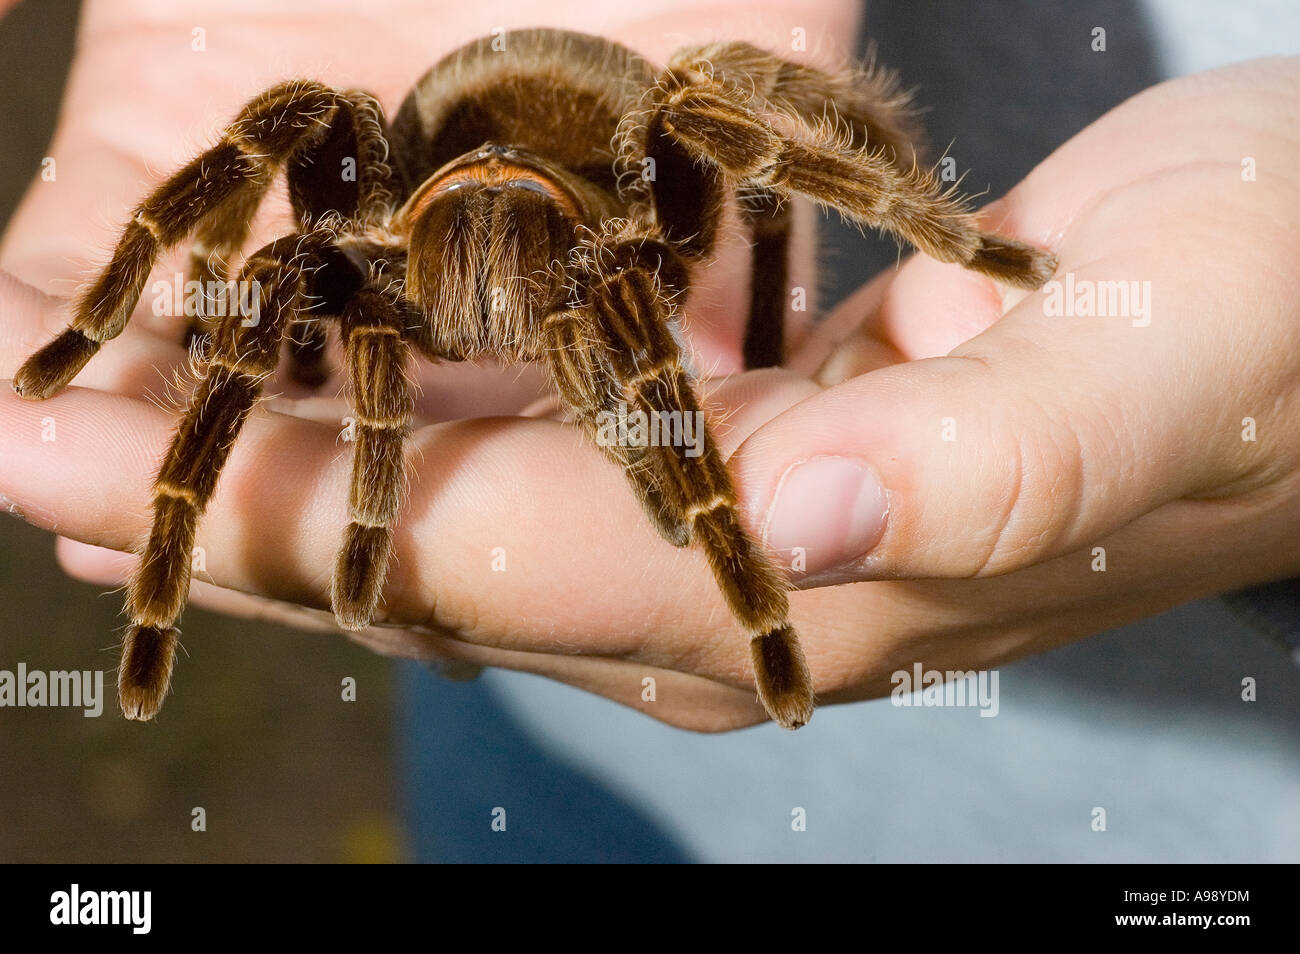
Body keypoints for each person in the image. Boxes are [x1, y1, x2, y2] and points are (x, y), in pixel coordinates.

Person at [1, 0, 1297, 860]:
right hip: (555, 751)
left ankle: (740, 567)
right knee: (284, 138)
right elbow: (254, 199)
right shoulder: (370, 234)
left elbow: (761, 160)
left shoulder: (641, 209)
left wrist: (948, 234)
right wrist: (119, 313)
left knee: (714, 99)